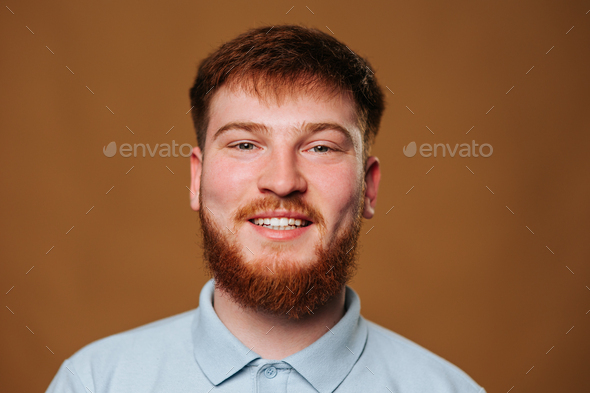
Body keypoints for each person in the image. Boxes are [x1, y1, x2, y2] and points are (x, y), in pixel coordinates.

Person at [46, 24, 486, 393]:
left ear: (368, 187)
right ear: (197, 180)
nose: (282, 180)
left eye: (320, 147)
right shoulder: (93, 382)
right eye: (244, 144)